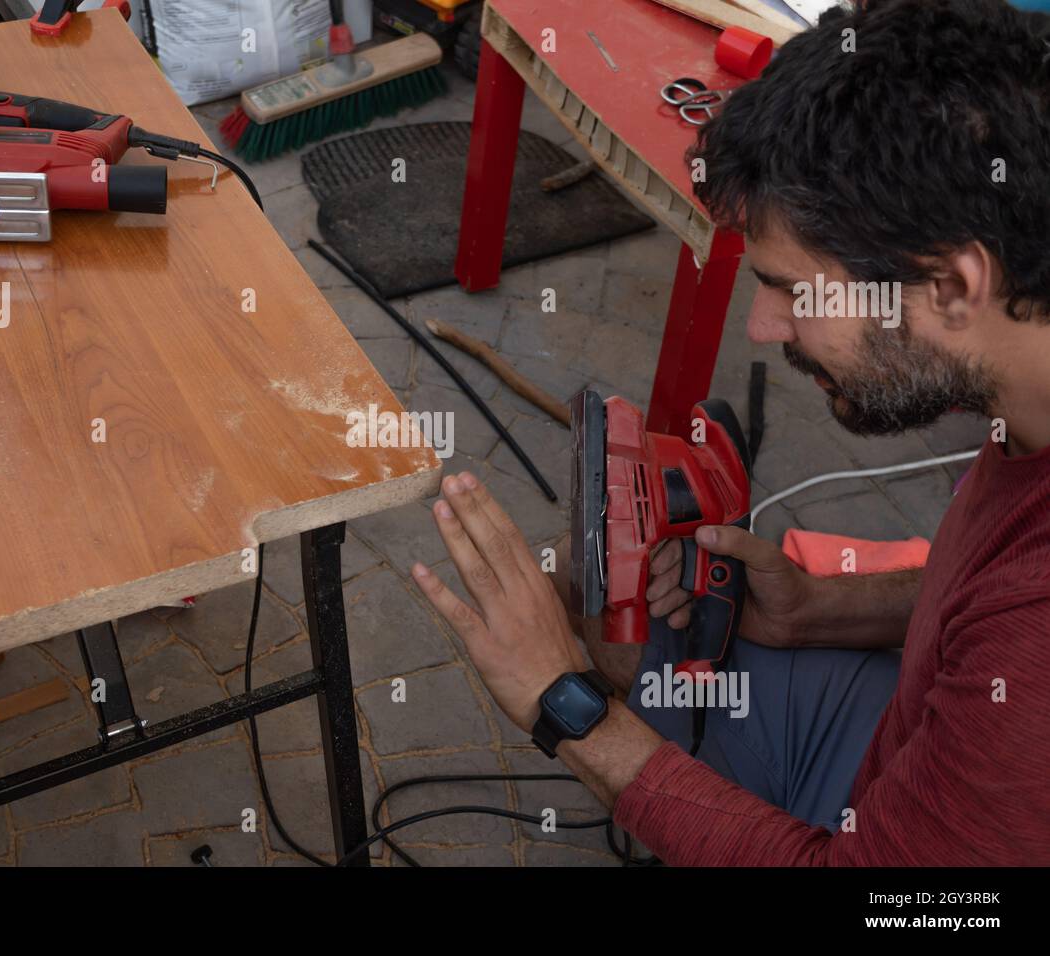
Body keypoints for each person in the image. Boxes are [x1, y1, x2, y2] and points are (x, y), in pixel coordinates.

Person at [410, 0, 1050, 864]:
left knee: (617, 694)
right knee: (659, 650)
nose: (761, 325)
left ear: (951, 286)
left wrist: (563, 704)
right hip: (909, 735)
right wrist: (828, 609)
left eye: (790, 287)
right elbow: (986, 594)